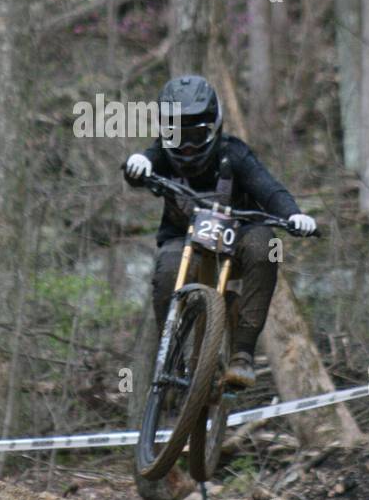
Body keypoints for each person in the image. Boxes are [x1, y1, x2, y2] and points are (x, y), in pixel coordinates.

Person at [123, 74, 316, 389]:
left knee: (264, 244)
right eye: (175, 136)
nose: (185, 147)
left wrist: (294, 215)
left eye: (195, 136)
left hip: (237, 242)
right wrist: (137, 164)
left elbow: (269, 191)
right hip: (181, 243)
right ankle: (172, 360)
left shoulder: (234, 154)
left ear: (213, 130)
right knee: (166, 272)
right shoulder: (160, 155)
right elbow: (143, 165)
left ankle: (242, 354)